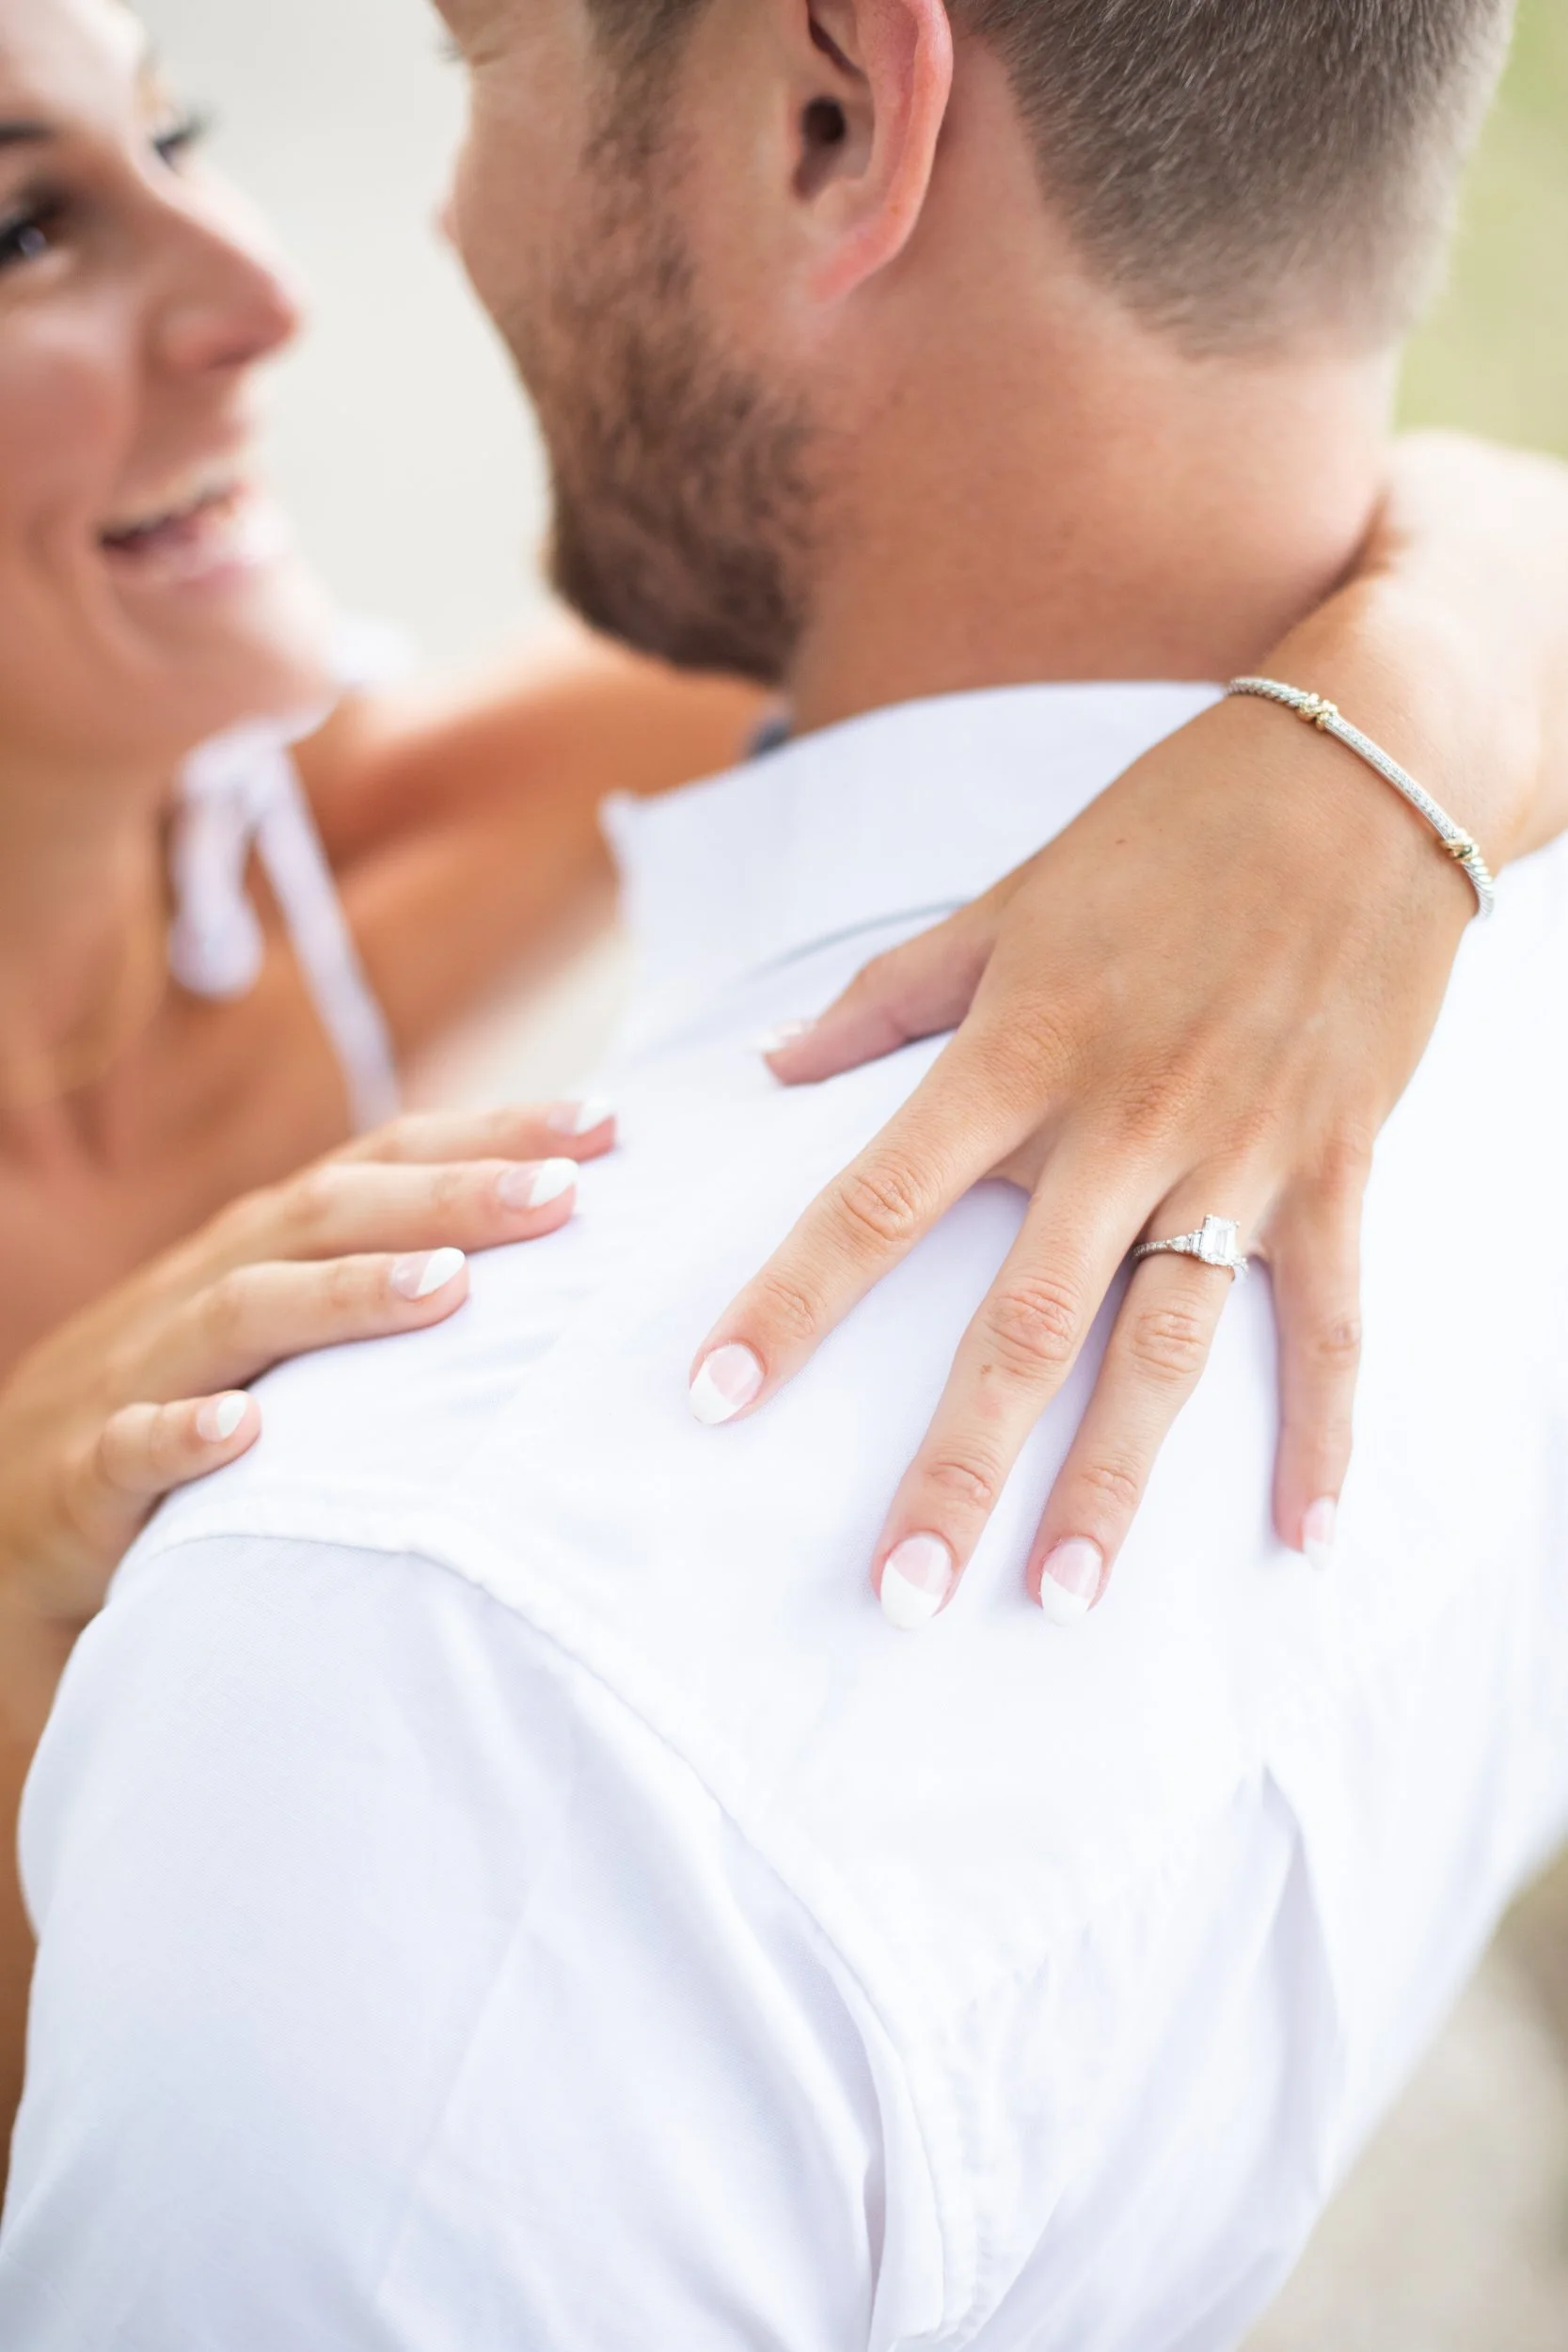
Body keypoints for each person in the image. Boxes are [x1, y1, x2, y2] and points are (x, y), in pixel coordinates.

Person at [6, 0, 1568, 2339]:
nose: (273, 286)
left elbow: (1373, 511)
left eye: (185, 135)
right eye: (29, 225)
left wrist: (1366, 766)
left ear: (853, 109)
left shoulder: (338, 850)